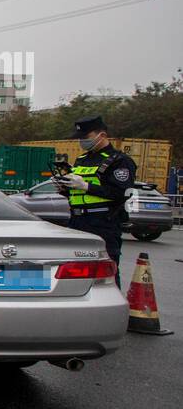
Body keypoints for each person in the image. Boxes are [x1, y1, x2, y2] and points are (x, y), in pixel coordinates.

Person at [54, 115, 136, 287]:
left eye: (86, 137)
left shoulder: (119, 161)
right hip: (77, 220)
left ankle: (112, 307)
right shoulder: (82, 160)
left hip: (103, 222)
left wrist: (86, 186)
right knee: (76, 269)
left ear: (102, 135)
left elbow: (121, 193)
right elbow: (79, 195)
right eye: (80, 138)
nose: (82, 141)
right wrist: (66, 189)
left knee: (107, 269)